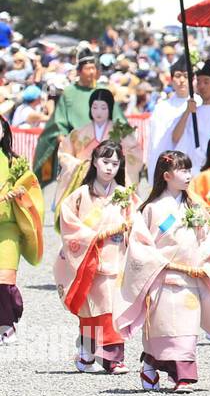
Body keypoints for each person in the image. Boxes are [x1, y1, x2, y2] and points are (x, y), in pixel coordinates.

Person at [117, 149, 210, 391]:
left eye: (189, 170)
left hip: (190, 276)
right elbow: (140, 244)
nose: (188, 175)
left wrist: (205, 262)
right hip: (162, 276)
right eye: (183, 170)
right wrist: (156, 262)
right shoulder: (152, 209)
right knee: (163, 328)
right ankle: (151, 362)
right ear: (166, 176)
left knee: (186, 328)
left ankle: (182, 375)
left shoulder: (195, 207)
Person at [54, 140, 135, 375]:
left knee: (111, 308)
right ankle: (87, 352)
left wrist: (129, 229)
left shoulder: (124, 195)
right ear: (95, 163)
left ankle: (113, 359)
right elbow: (68, 223)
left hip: (116, 259)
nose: (110, 168)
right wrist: (94, 236)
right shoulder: (80, 196)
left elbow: (136, 224)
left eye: (115, 163)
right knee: (89, 308)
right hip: (89, 259)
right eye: (105, 162)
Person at [53, 86, 144, 223]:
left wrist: (117, 164)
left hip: (113, 178)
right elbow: (64, 154)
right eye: (95, 107)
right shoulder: (79, 133)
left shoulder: (121, 132)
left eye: (103, 107)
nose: (98, 112)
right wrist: (79, 165)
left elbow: (134, 153)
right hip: (85, 179)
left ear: (110, 109)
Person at [35, 54, 119, 184]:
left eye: (94, 68)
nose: (92, 72)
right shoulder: (69, 92)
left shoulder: (103, 90)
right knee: (73, 189)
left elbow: (115, 118)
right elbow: (59, 122)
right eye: (88, 68)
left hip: (102, 147)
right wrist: (65, 143)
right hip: (76, 149)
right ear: (79, 71)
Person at [0, 116, 43, 344]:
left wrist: (20, 194)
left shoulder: (13, 161)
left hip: (7, 228)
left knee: (5, 279)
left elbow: (30, 187)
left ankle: (9, 319)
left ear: (4, 131)